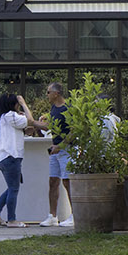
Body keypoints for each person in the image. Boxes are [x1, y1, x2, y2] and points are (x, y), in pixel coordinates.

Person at [0, 92, 34, 227]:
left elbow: (24, 127)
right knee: (14, 189)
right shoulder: (11, 116)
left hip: (4, 158)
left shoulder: (4, 117)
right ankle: (12, 220)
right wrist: (24, 104)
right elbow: (30, 120)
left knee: (11, 188)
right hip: (11, 157)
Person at [41, 81, 73, 227]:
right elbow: (50, 125)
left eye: (48, 92)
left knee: (68, 182)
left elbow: (74, 131)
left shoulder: (68, 109)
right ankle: (52, 216)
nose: (47, 95)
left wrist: (61, 146)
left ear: (56, 93)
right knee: (53, 181)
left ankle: (75, 214)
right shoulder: (53, 108)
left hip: (66, 151)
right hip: (55, 151)